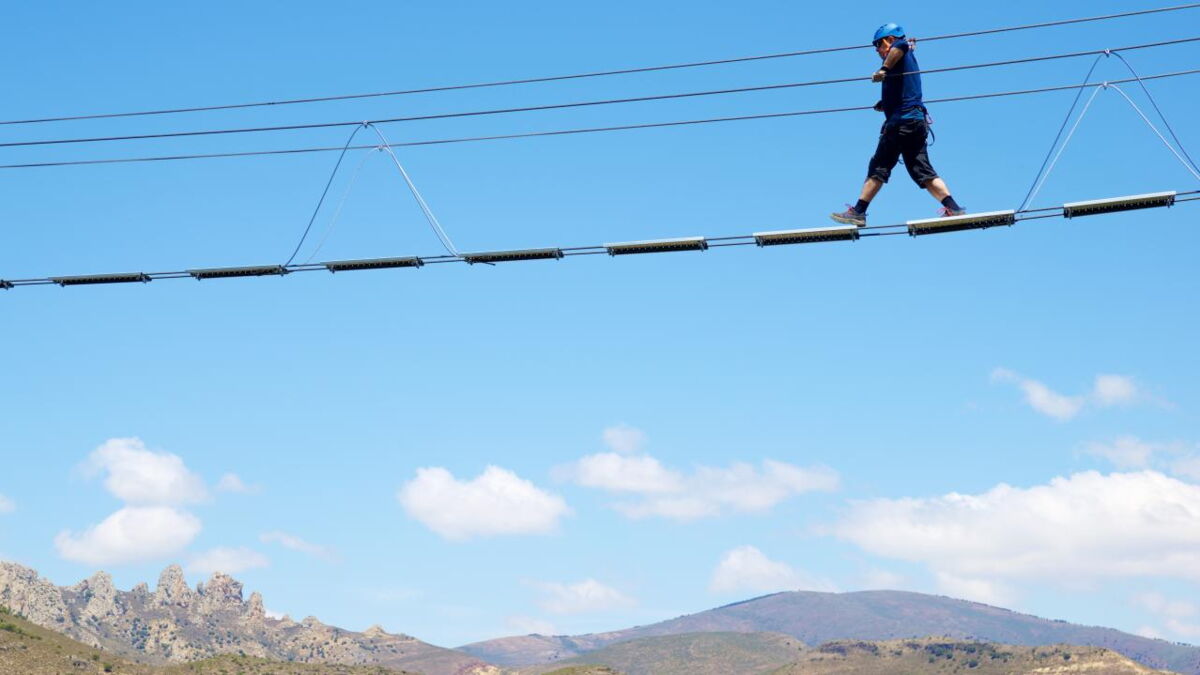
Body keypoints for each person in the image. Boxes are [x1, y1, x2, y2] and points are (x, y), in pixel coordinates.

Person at [831, 23, 966, 227]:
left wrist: (883, 69)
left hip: (901, 123)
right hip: (915, 123)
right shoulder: (903, 60)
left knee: (879, 167)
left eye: (878, 44)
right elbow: (905, 88)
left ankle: (858, 212)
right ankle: (953, 208)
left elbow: (900, 48)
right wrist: (885, 103)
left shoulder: (898, 49)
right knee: (921, 170)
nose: (877, 50)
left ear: (890, 40)